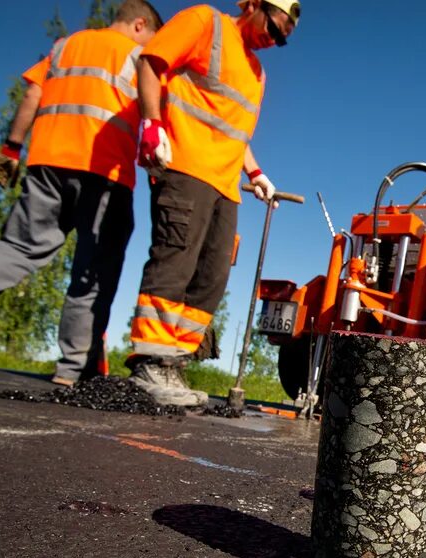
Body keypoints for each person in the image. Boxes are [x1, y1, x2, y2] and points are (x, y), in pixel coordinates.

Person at [0, 1, 164, 385]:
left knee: (18, 247)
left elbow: (32, 95)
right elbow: (154, 111)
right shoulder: (140, 58)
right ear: (140, 25)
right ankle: (74, 369)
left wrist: (11, 148)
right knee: (94, 270)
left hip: (46, 163)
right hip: (105, 171)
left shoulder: (65, 46)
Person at [125, 0, 299, 406]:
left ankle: (173, 363)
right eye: (273, 28)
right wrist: (151, 122)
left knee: (212, 277)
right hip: (185, 166)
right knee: (175, 261)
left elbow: (236, 133)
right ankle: (149, 361)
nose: (272, 40)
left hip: (226, 186)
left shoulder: (257, 73)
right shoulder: (207, 23)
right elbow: (151, 62)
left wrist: (256, 173)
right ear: (253, 5)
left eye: (281, 39)